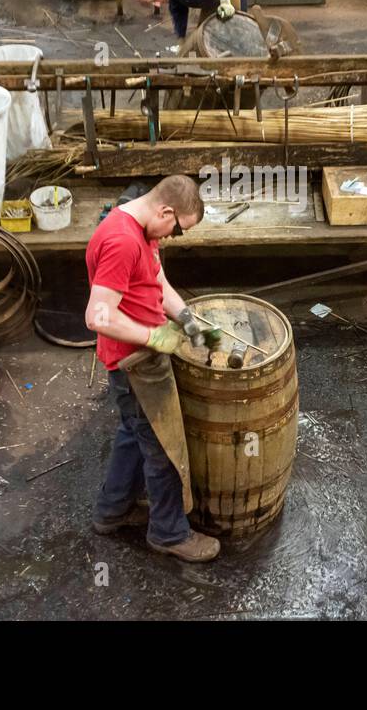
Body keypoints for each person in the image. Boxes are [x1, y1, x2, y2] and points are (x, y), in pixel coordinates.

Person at [84, 175, 221, 563]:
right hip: (135, 364)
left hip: (137, 357)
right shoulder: (122, 241)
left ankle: (112, 512)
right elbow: (97, 315)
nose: (176, 236)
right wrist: (153, 338)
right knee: (162, 449)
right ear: (165, 211)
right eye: (178, 228)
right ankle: (168, 533)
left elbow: (155, 281)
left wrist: (186, 319)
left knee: (134, 432)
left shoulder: (143, 230)